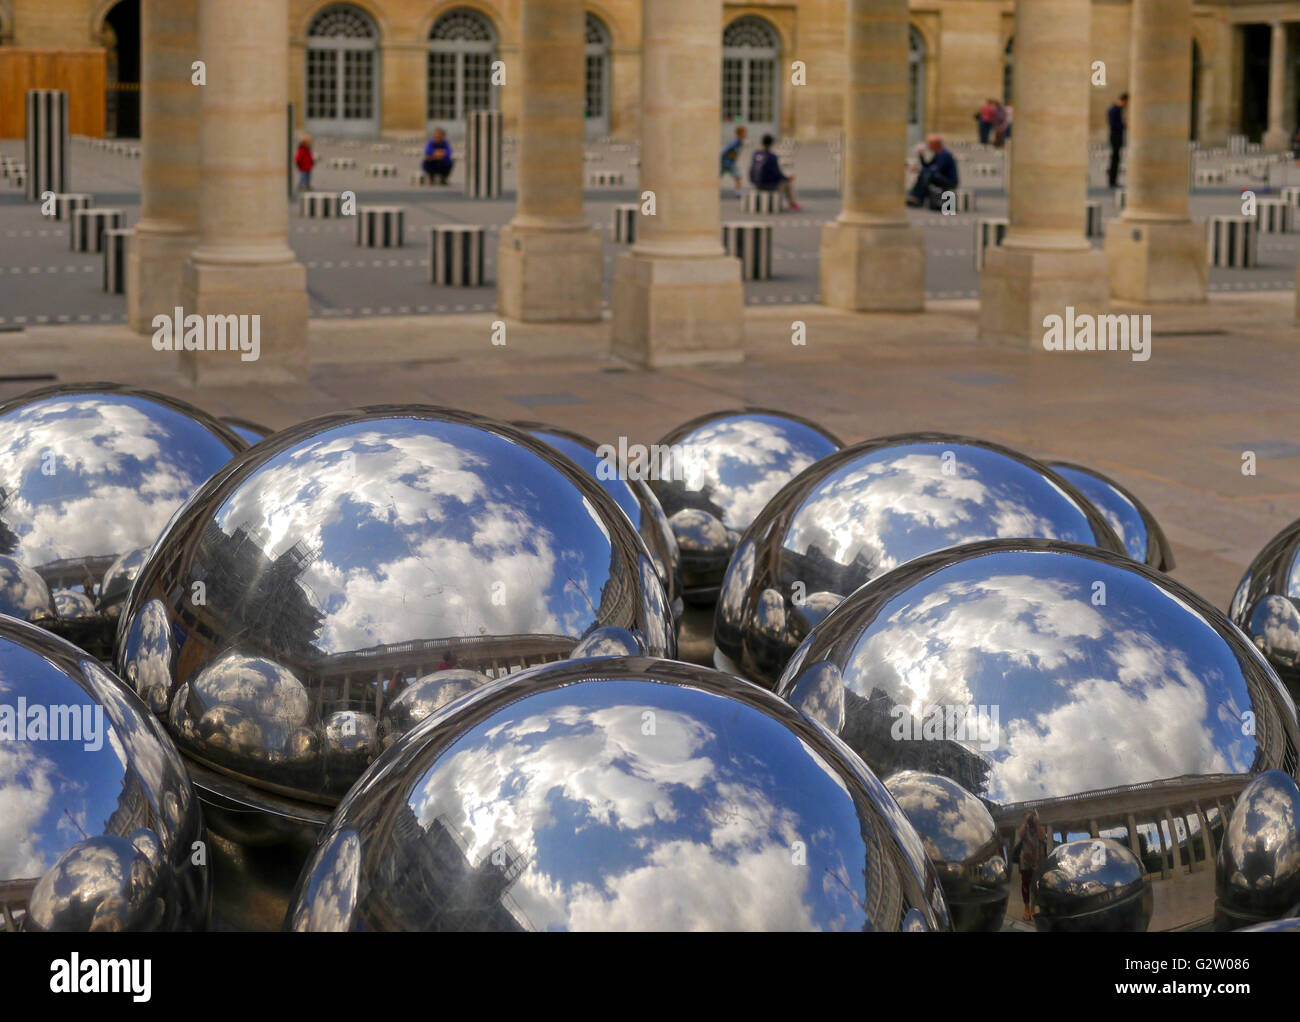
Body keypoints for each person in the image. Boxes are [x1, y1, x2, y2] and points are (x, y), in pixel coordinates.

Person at [748, 133, 801, 211]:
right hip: (768, 185)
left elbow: (751, 170)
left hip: (756, 184)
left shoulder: (756, 153)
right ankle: (793, 204)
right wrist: (788, 178)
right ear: (771, 144)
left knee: (784, 180)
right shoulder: (772, 157)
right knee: (788, 183)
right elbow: (777, 174)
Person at [906, 133, 959, 208]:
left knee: (926, 174)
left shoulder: (944, 155)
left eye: (930, 144)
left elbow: (935, 169)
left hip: (949, 181)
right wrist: (921, 156)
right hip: (940, 177)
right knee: (925, 173)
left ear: (936, 144)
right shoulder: (938, 153)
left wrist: (919, 169)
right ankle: (916, 197)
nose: (928, 146)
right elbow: (927, 166)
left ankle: (918, 198)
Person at [1014, 810, 1048, 922]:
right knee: (1025, 884)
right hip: (1025, 860)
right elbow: (1019, 834)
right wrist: (1025, 821)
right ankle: (1026, 909)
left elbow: (1042, 837)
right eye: (1030, 816)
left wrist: (1037, 823)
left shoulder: (1040, 826)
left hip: (1037, 860)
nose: (1031, 818)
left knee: (1034, 886)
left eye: (1033, 816)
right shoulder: (1025, 827)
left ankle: (1033, 908)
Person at [1107, 92, 1128, 188]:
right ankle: (1112, 181)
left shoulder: (1117, 109)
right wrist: (1123, 124)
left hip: (1117, 136)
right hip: (1115, 137)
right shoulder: (1114, 109)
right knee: (1114, 159)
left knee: (1116, 159)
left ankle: (1113, 180)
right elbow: (1113, 124)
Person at [721, 125, 747, 197]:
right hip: (725, 163)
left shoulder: (740, 142)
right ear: (740, 134)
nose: (745, 135)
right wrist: (720, 160)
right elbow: (724, 151)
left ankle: (739, 192)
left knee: (738, 176)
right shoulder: (735, 142)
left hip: (731, 163)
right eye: (744, 133)